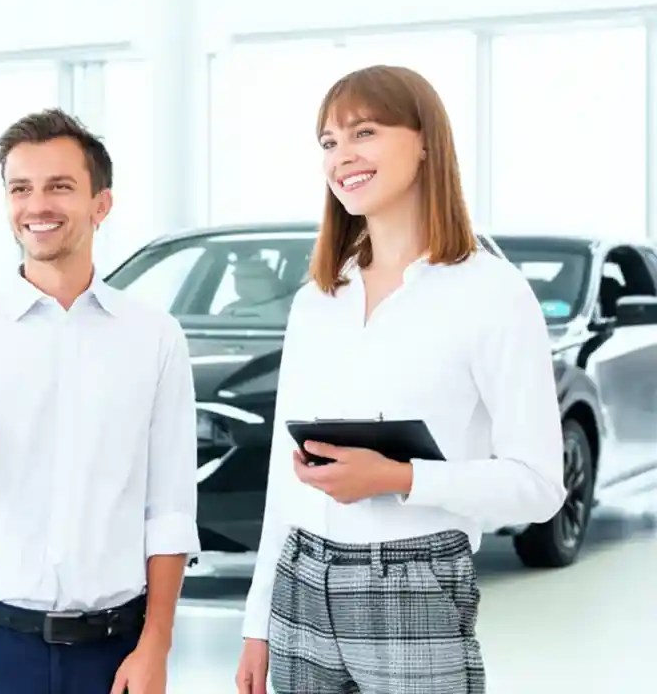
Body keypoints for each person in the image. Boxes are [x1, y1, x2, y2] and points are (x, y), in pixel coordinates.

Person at [234, 65, 567, 694]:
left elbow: (539, 485)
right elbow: (288, 474)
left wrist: (399, 478)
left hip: (416, 589)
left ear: (424, 141)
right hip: (301, 585)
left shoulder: (491, 291)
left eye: (364, 132)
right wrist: (258, 622)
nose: (342, 157)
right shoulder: (319, 298)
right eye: (329, 142)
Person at [0, 108, 200, 694]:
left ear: (101, 204)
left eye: (60, 187)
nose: (37, 205)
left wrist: (156, 645)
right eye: (21, 189)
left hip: (115, 647)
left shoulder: (155, 336)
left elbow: (169, 507)